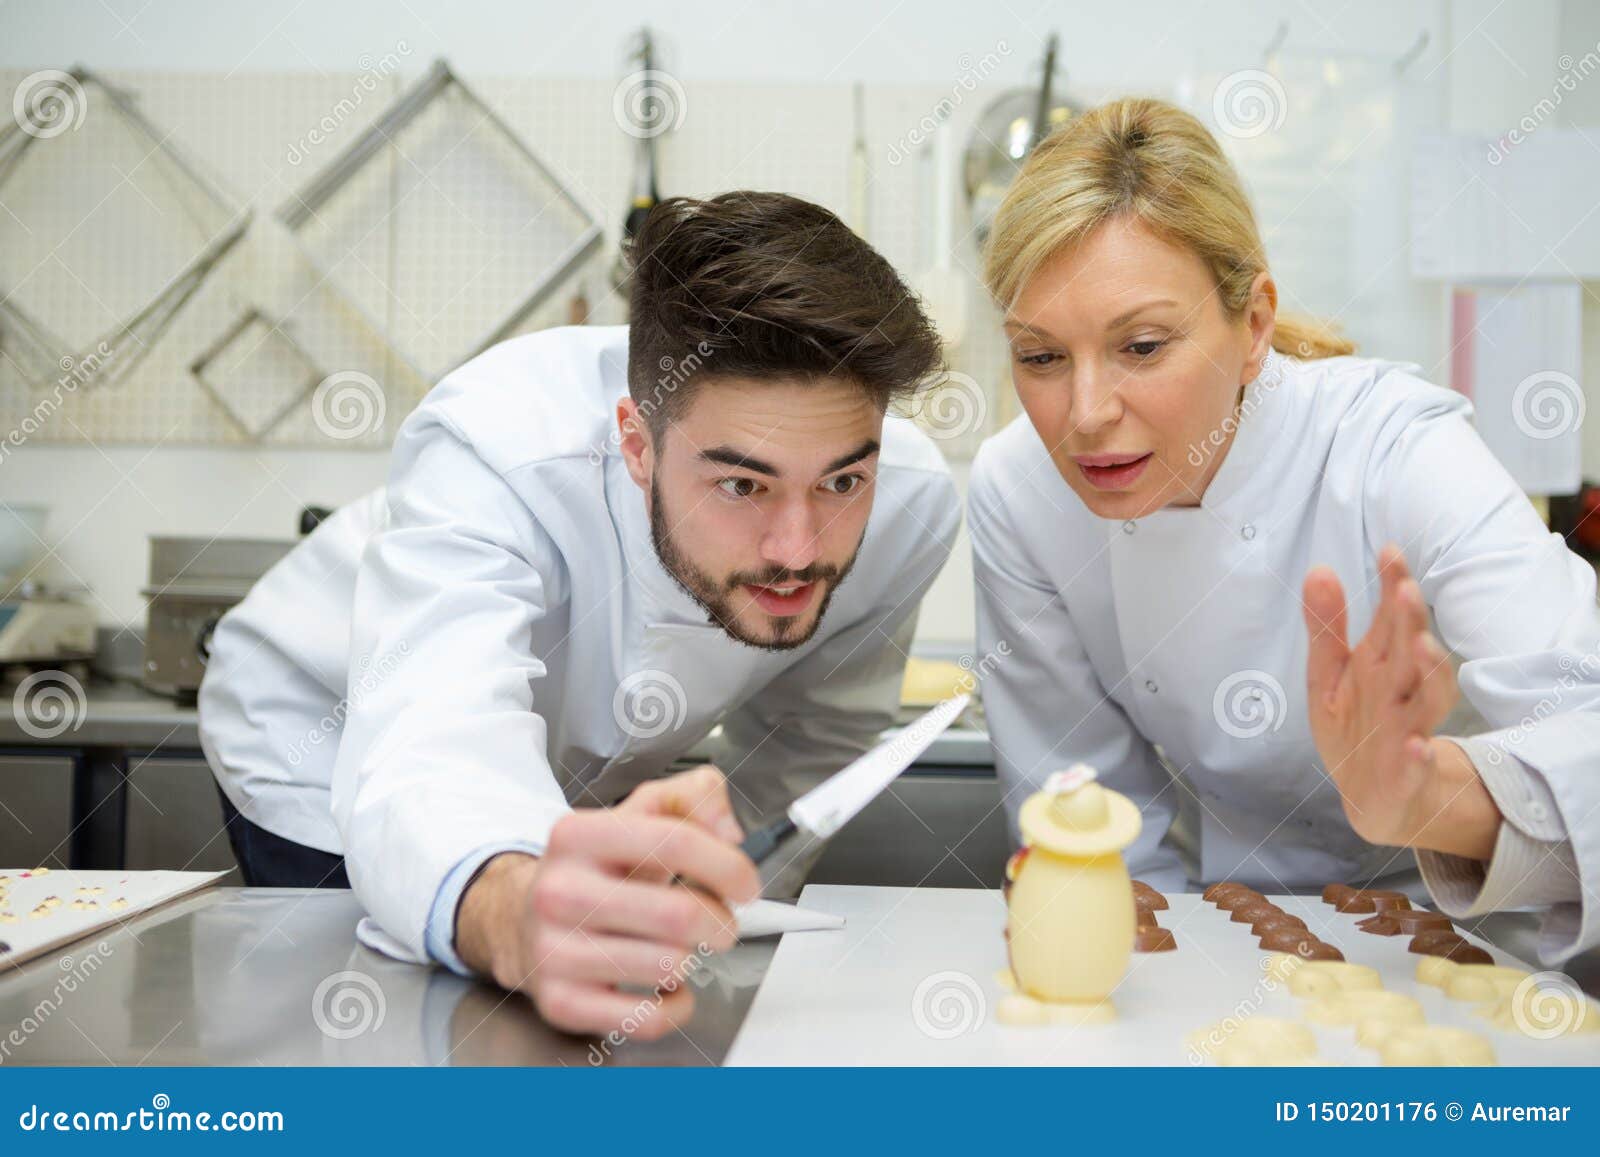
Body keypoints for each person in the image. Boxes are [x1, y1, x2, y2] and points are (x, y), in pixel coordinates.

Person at [199, 191, 962, 1034]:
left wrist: (709, 892)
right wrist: (511, 910)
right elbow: (431, 745)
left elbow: (811, 740)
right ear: (637, 443)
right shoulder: (496, 445)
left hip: (573, 779)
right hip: (322, 733)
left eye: (842, 481)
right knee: (400, 1026)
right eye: (742, 484)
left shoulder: (912, 506)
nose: (794, 546)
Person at [970, 97, 1596, 962]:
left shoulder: (1393, 449)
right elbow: (1094, 826)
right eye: (1040, 357)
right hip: (1219, 949)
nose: (1084, 414)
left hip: (1471, 949)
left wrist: (1425, 796)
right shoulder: (1018, 492)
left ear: (1254, 321)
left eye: (1143, 345)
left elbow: (1588, 722)